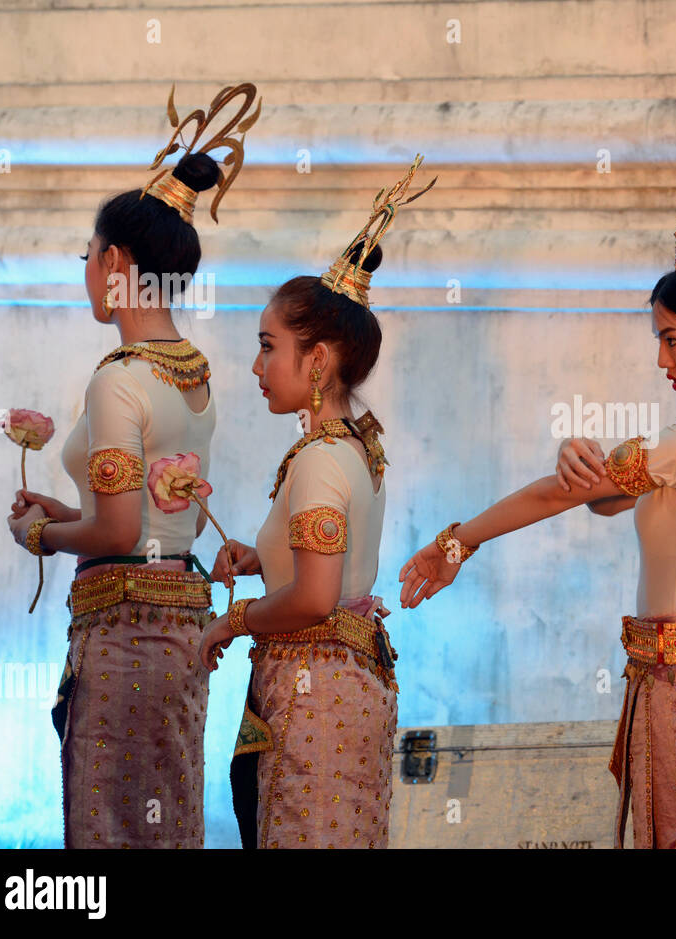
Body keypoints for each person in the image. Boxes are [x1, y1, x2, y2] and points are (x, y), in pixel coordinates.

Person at [397, 47, 676, 848]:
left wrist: (458, 540)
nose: (662, 360)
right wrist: (596, 478)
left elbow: (568, 494)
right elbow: (615, 491)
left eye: (673, 340)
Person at [5, 83, 260, 847]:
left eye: (88, 255)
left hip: (122, 627)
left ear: (115, 260)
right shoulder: (193, 373)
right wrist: (61, 508)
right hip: (179, 621)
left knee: (110, 825)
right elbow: (149, 517)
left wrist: (41, 538)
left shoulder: (117, 377)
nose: (86, 267)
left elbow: (119, 525)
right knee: (166, 817)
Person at [199, 160, 433, 849]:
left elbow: (317, 598)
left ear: (319, 360)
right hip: (328, 689)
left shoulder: (326, 457)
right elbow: (326, 571)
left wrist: (231, 620)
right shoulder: (349, 448)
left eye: (269, 347)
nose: (256, 365)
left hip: (315, 696)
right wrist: (257, 553)